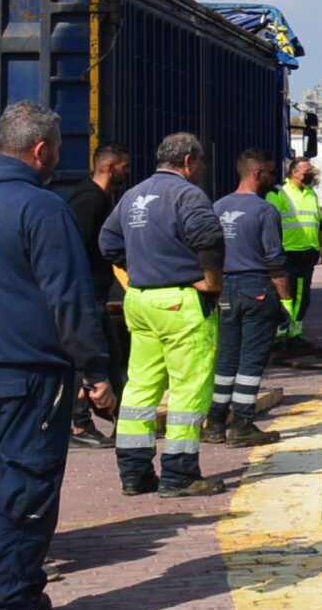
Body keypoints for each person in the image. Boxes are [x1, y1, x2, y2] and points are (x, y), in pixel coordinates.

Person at [0, 100, 110, 610]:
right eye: (57, 151)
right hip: (31, 374)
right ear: (41, 150)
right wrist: (95, 368)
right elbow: (71, 299)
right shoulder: (40, 208)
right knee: (27, 489)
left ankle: (17, 586)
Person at [99, 132, 226, 497]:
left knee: (140, 386)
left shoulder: (132, 196)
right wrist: (212, 283)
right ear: (188, 161)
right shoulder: (187, 194)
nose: (200, 170)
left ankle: (134, 473)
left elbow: (108, 243)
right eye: (199, 163)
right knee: (188, 390)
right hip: (181, 302)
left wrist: (140, 267)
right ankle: (180, 474)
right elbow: (209, 238)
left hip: (140, 300)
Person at [55, 142, 132, 449]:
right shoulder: (90, 200)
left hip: (93, 291)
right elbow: (78, 248)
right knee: (88, 357)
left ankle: (122, 420)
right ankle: (79, 423)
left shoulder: (94, 197)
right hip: (86, 293)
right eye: (124, 167)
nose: (126, 173)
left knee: (109, 357)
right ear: (109, 167)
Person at [211, 150, 290, 445]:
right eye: (270, 172)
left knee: (226, 358)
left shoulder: (217, 207)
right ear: (256, 174)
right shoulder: (265, 210)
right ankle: (243, 423)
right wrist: (284, 301)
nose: (274, 179)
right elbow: (275, 259)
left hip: (225, 288)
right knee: (251, 360)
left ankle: (216, 422)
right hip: (256, 287)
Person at [265, 158, 322, 359]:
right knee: (285, 295)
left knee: (302, 297)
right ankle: (280, 334)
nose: (310, 173)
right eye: (307, 170)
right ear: (294, 172)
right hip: (287, 253)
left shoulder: (311, 194)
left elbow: (320, 223)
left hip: (307, 252)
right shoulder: (278, 194)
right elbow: (268, 222)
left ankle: (295, 333)